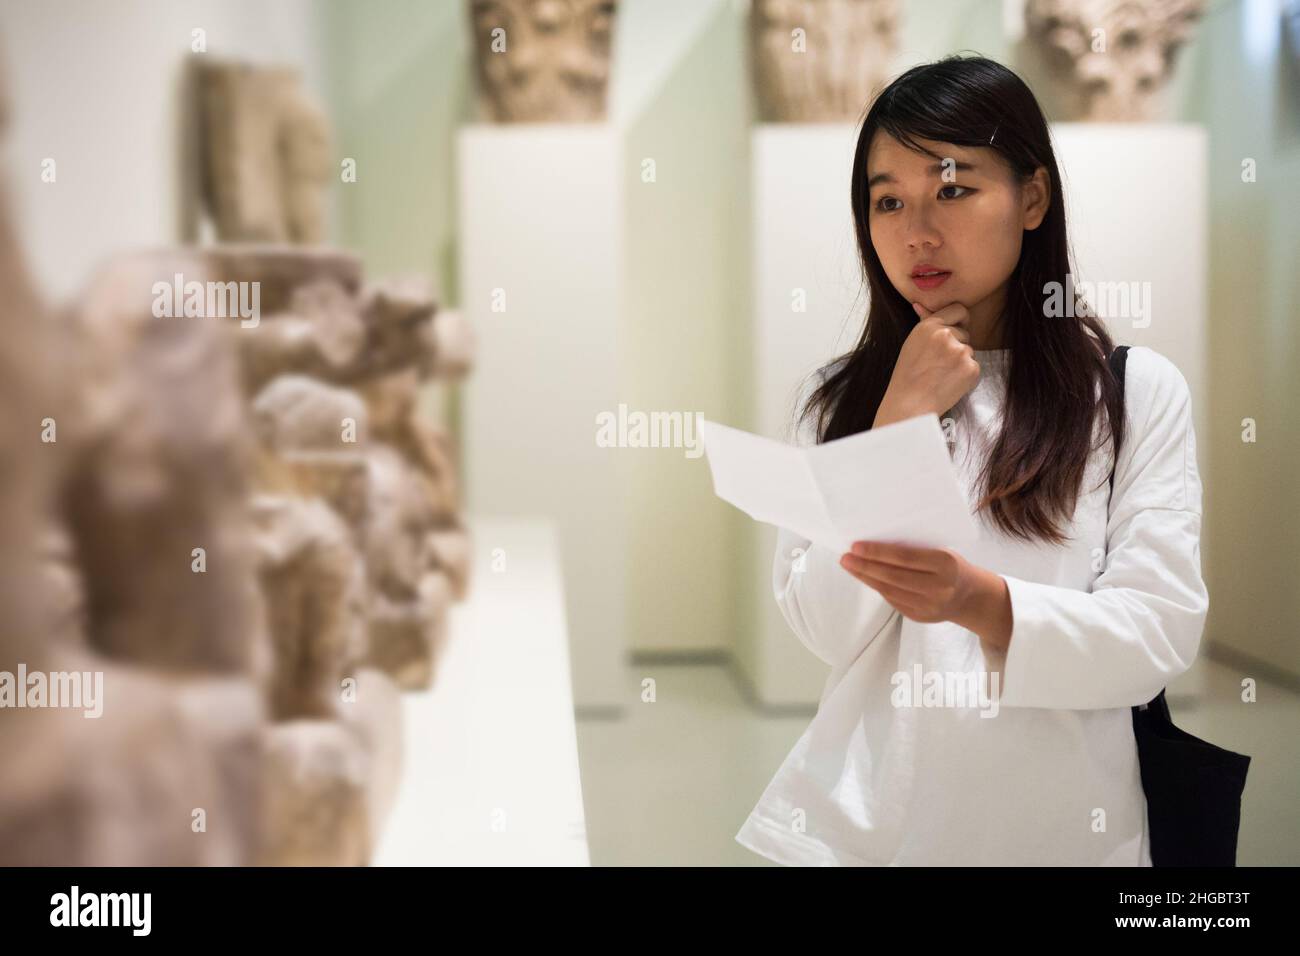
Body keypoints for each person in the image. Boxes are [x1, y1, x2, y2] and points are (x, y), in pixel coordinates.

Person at [735, 54, 1207, 866]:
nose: (916, 230)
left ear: (1032, 197)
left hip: (1066, 834)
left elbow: (1156, 634)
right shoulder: (836, 397)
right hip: (863, 831)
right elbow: (822, 626)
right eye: (888, 200)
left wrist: (977, 601)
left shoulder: (1131, 394)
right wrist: (898, 418)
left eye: (953, 188)